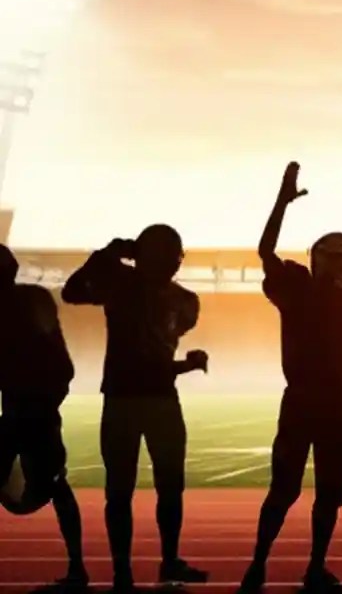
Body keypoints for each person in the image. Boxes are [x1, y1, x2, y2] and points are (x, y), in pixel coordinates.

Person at [239, 163, 342, 592]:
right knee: (289, 490)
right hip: (308, 400)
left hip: (324, 400)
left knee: (327, 493)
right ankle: (263, 563)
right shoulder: (300, 289)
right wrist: (281, 202)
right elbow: (265, 251)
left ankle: (302, 565)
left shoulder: (333, 299)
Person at [62, 225, 208, 590]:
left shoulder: (133, 288)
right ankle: (142, 565)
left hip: (137, 398)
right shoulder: (161, 295)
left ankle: (134, 568)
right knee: (137, 488)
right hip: (143, 399)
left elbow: (75, 291)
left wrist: (108, 255)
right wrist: (107, 256)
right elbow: (73, 292)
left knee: (145, 488)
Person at [0, 244, 88, 589]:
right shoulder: (34, 299)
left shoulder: (17, 305)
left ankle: (79, 570)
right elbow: (60, 361)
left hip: (26, 408)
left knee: (52, 485)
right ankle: (78, 568)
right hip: (39, 408)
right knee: (56, 485)